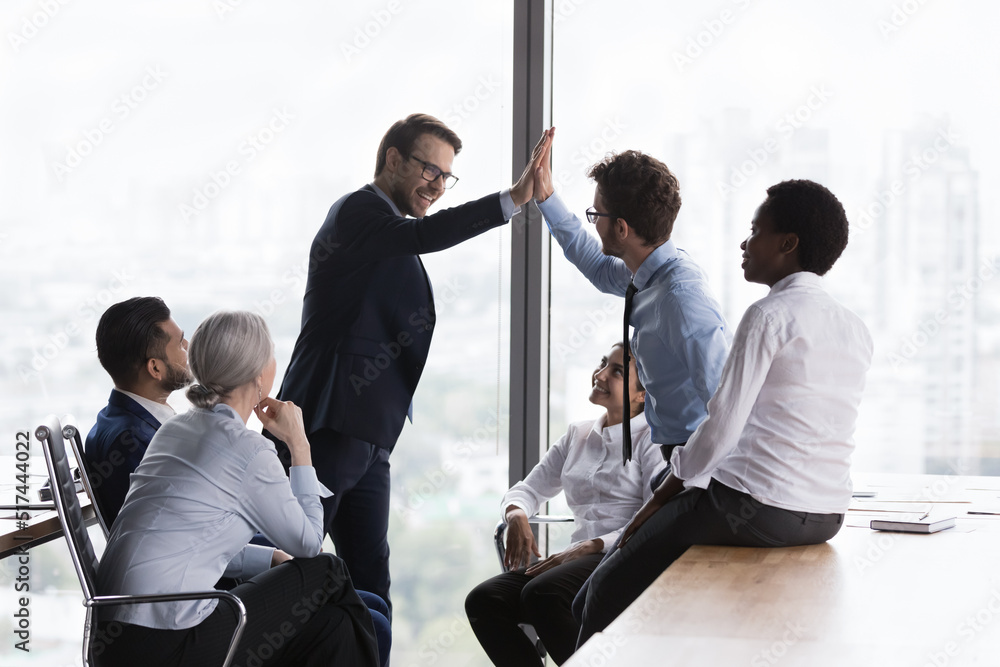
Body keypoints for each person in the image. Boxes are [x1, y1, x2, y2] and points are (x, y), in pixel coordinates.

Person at [269, 113, 550, 614]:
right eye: (429, 171)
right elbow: (427, 237)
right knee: (291, 564)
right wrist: (513, 199)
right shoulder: (358, 213)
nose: (438, 186)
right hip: (327, 424)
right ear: (393, 159)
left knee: (372, 580)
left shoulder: (385, 227)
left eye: (446, 176)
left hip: (369, 435)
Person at [574, 179, 874, 645]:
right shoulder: (855, 328)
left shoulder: (768, 315)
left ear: (788, 243)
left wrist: (664, 492)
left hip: (755, 506)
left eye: (756, 231)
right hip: (826, 515)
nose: (744, 242)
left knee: (596, 598)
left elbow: (721, 428)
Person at [95, 311, 382, 667]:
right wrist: (299, 445)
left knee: (334, 625)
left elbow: (190, 539)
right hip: (168, 642)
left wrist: (268, 558)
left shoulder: (175, 429)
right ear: (259, 375)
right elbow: (309, 544)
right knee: (329, 571)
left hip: (113, 640)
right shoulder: (248, 449)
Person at [532, 128, 731, 477]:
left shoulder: (680, 299)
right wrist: (547, 196)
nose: (592, 224)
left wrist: (697, 477)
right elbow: (594, 264)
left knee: (642, 534)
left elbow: (725, 399)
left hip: (698, 462)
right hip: (675, 455)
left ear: (621, 228)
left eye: (595, 216)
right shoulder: (644, 275)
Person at [466, 342, 665, 666]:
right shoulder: (578, 435)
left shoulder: (652, 441)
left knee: (542, 595)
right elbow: (526, 490)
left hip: (619, 557)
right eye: (603, 363)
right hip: (573, 562)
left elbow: (653, 517)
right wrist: (516, 514)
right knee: (485, 600)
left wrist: (592, 546)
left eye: (616, 371)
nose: (599, 375)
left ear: (642, 394)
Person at [85, 296, 192, 525]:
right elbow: (181, 531)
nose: (188, 347)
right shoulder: (132, 442)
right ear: (155, 367)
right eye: (180, 343)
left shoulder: (112, 419)